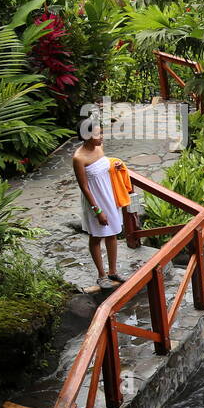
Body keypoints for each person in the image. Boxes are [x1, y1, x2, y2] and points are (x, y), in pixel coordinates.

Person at [72, 122, 125, 291]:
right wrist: (97, 210)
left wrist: (115, 165)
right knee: (96, 236)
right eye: (97, 134)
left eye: (101, 133)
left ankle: (113, 271)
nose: (101, 137)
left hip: (108, 195)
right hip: (95, 200)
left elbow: (104, 165)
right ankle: (101, 275)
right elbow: (84, 187)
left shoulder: (99, 147)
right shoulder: (78, 158)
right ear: (86, 136)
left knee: (113, 233)